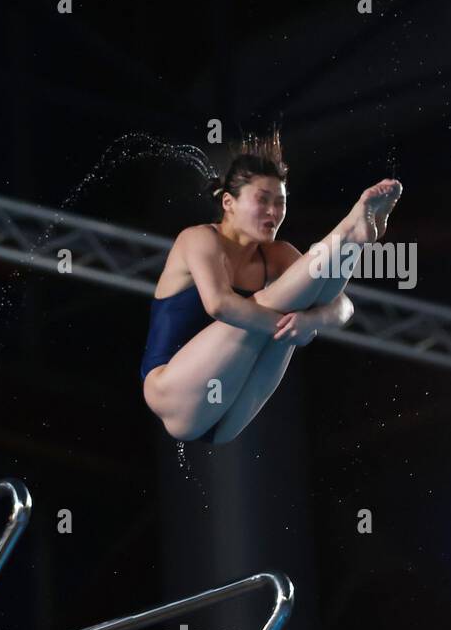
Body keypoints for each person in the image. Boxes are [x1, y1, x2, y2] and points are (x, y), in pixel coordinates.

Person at [140, 130, 401, 442]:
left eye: (280, 203)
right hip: (174, 394)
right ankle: (347, 231)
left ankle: (354, 241)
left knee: (298, 308)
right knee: (272, 310)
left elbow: (344, 306)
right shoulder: (199, 239)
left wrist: (310, 322)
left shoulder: (275, 254)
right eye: (262, 200)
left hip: (226, 422)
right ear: (228, 202)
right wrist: (292, 326)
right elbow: (219, 305)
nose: (273, 212)